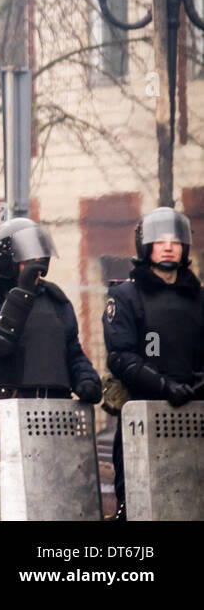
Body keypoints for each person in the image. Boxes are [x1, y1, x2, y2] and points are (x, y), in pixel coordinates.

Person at [103, 207, 203, 519]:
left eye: (175, 240)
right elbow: (121, 355)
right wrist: (163, 385)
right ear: (146, 246)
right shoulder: (126, 295)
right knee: (136, 501)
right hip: (143, 412)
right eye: (160, 241)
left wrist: (197, 384)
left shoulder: (199, 298)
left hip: (196, 412)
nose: (169, 246)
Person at [0, 217, 101, 405]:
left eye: (40, 260)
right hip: (8, 406)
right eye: (29, 261)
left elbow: (72, 351)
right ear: (7, 262)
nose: (37, 267)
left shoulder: (55, 300)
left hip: (56, 406)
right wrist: (23, 293)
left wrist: (86, 379)